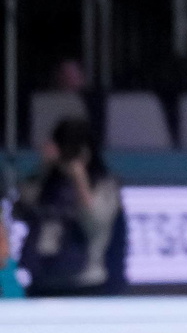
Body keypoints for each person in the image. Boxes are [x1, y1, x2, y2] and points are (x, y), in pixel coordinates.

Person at [22, 117, 126, 295]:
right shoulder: (45, 182)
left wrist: (79, 179)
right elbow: (21, 210)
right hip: (43, 281)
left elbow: (96, 224)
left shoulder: (103, 184)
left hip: (86, 282)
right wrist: (43, 169)